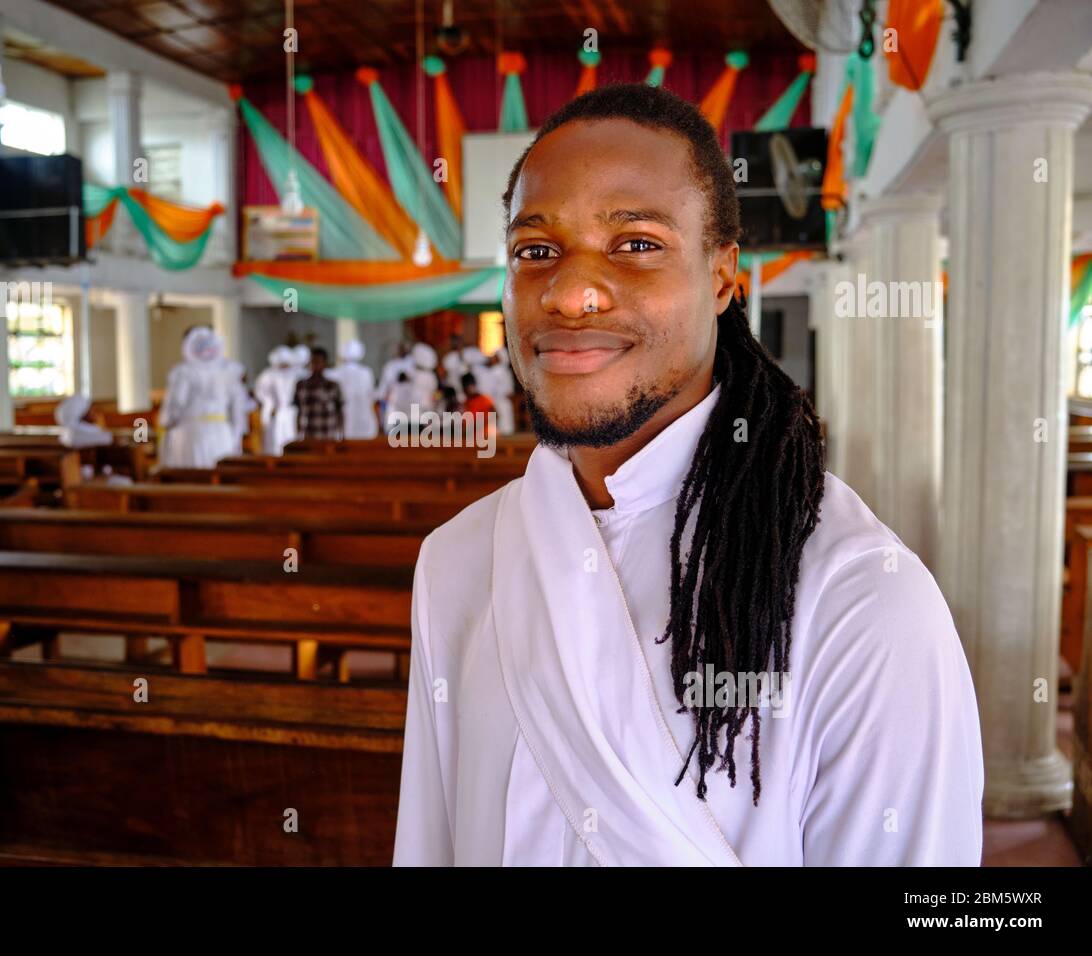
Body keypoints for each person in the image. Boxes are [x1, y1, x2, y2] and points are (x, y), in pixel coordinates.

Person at [393, 84, 983, 867]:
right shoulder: (458, 559)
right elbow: (430, 842)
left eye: (636, 243)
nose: (569, 293)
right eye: (536, 251)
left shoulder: (863, 602)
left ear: (722, 276)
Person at [159, 327, 235, 469]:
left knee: (192, 473)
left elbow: (176, 405)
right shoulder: (228, 371)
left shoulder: (184, 372)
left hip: (191, 432)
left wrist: (166, 423)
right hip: (222, 433)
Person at [328, 339, 378, 439]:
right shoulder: (366, 372)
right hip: (364, 422)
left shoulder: (333, 373)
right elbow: (372, 395)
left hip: (342, 422)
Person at [254, 346, 298, 455]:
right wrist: (269, 403)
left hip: (291, 412)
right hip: (275, 412)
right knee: (274, 441)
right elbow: (260, 392)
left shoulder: (295, 374)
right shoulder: (268, 374)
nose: (284, 365)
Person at [293, 347, 343, 441]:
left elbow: (339, 411)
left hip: (328, 433)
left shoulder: (332, 385)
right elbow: (298, 411)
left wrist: (341, 433)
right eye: (313, 362)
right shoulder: (301, 385)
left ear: (325, 364)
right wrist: (297, 433)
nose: (315, 365)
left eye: (318, 362)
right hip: (308, 434)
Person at [486, 347, 517, 435]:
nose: (492, 358)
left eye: (495, 356)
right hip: (499, 398)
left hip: (500, 398)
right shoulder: (503, 370)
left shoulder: (497, 370)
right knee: (503, 418)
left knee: (504, 417)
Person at [459, 371, 496, 443]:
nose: (466, 390)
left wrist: (476, 425)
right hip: (471, 440)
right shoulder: (465, 403)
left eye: (468, 387)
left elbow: (495, 415)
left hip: (487, 438)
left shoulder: (485, 399)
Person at [408, 342, 438, 420]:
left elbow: (434, 391)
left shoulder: (430, 375)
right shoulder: (413, 372)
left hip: (426, 406)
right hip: (414, 406)